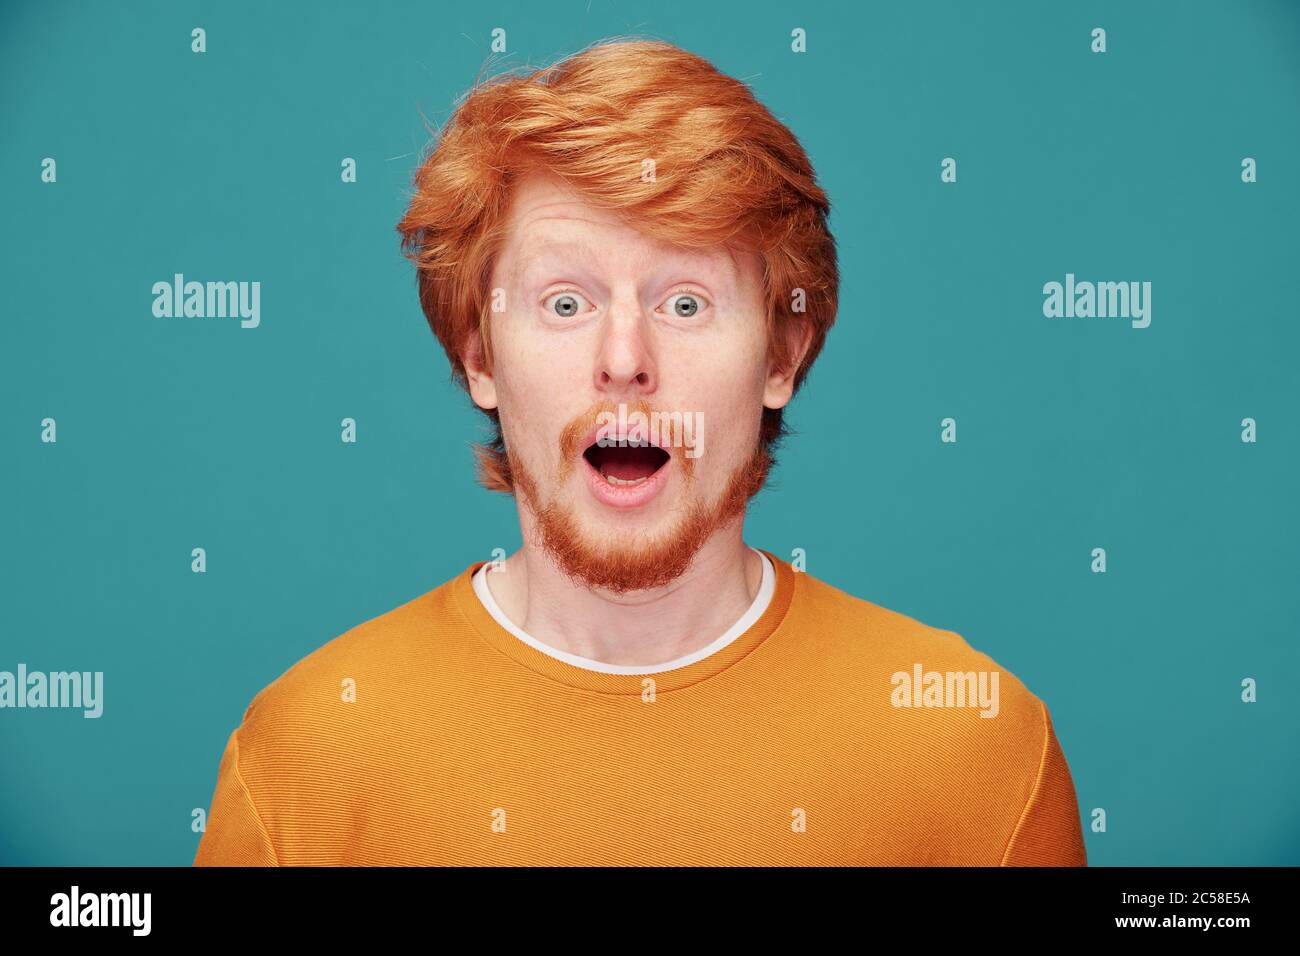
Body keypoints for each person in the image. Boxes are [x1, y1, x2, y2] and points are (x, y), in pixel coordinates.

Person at [194, 37, 1087, 866]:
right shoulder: (305, 755)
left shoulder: (974, 744)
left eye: (686, 303)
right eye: (565, 303)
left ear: (781, 357)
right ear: (480, 358)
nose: (624, 360)